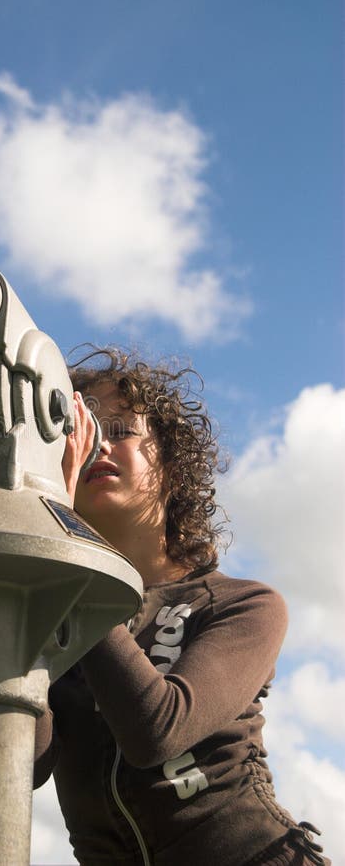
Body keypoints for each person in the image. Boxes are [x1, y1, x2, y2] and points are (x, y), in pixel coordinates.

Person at [34, 347, 329, 866]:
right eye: (81, 431)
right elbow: (23, 767)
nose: (97, 445)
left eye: (120, 430)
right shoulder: (55, 608)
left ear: (171, 466)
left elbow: (157, 731)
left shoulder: (244, 605)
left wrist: (67, 532)